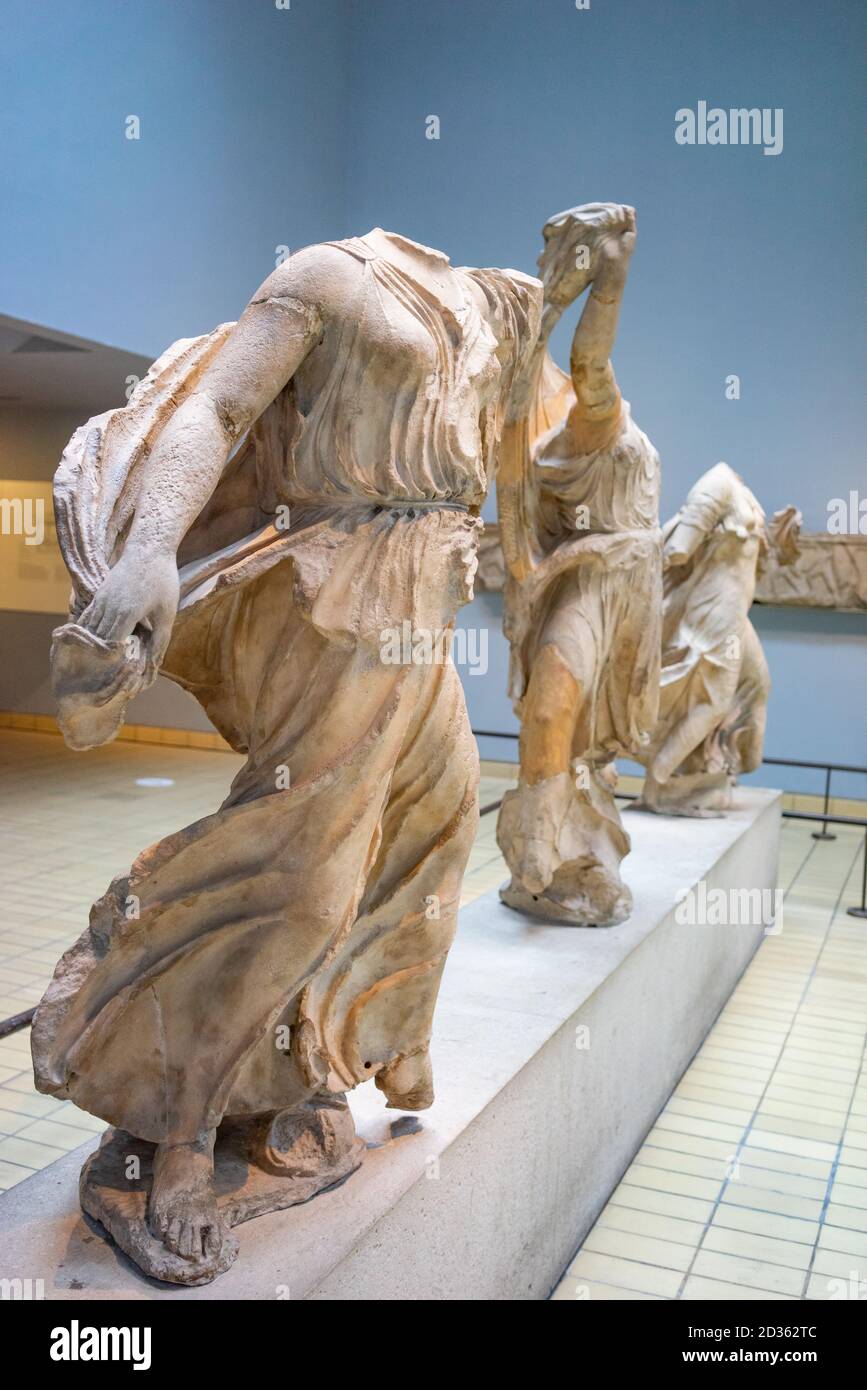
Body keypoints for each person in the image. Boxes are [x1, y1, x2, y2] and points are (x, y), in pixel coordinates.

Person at [33, 227, 542, 1277]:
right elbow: (220, 410)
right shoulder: (324, 273)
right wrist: (148, 553)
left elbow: (523, 443)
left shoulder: (497, 304)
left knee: (431, 836)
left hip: (426, 601)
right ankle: (173, 1140)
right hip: (341, 599)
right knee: (300, 875)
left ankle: (298, 1067)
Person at [497, 204, 662, 924]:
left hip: (626, 590)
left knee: (587, 728)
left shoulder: (602, 423)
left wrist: (603, 285)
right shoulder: (561, 438)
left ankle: (572, 851)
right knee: (552, 702)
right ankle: (540, 851)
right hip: (584, 585)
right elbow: (573, 366)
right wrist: (595, 287)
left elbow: (589, 367)